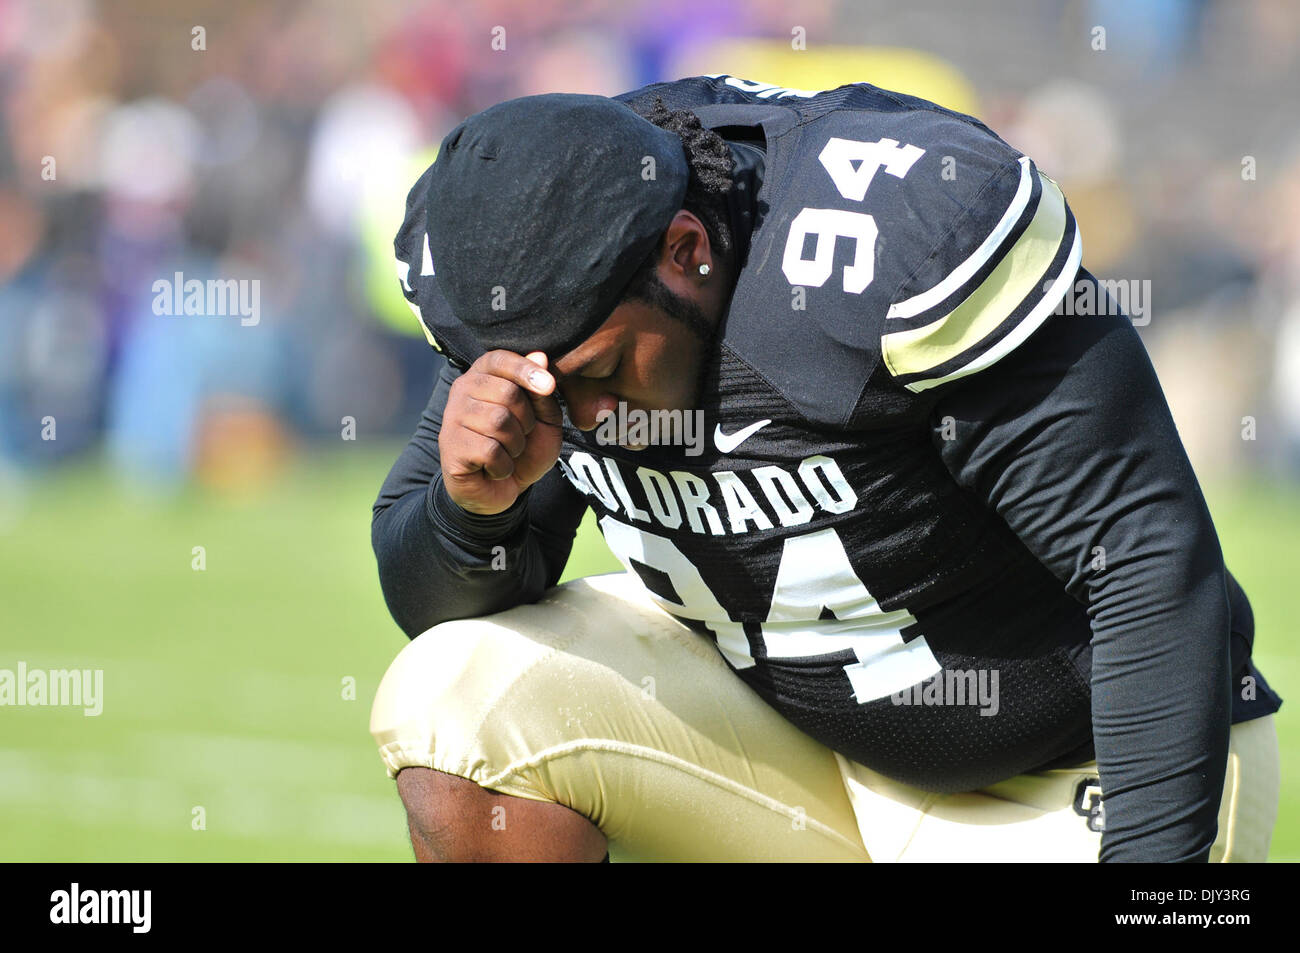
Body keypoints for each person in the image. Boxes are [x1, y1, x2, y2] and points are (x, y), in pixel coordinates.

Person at [369, 75, 1281, 862]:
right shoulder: (538, 263)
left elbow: (1145, 567)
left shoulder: (884, 245)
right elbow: (435, 605)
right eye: (551, 388)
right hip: (788, 735)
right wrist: (473, 511)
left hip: (1063, 769)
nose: (583, 421)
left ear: (686, 250)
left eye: (602, 374)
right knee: (452, 695)